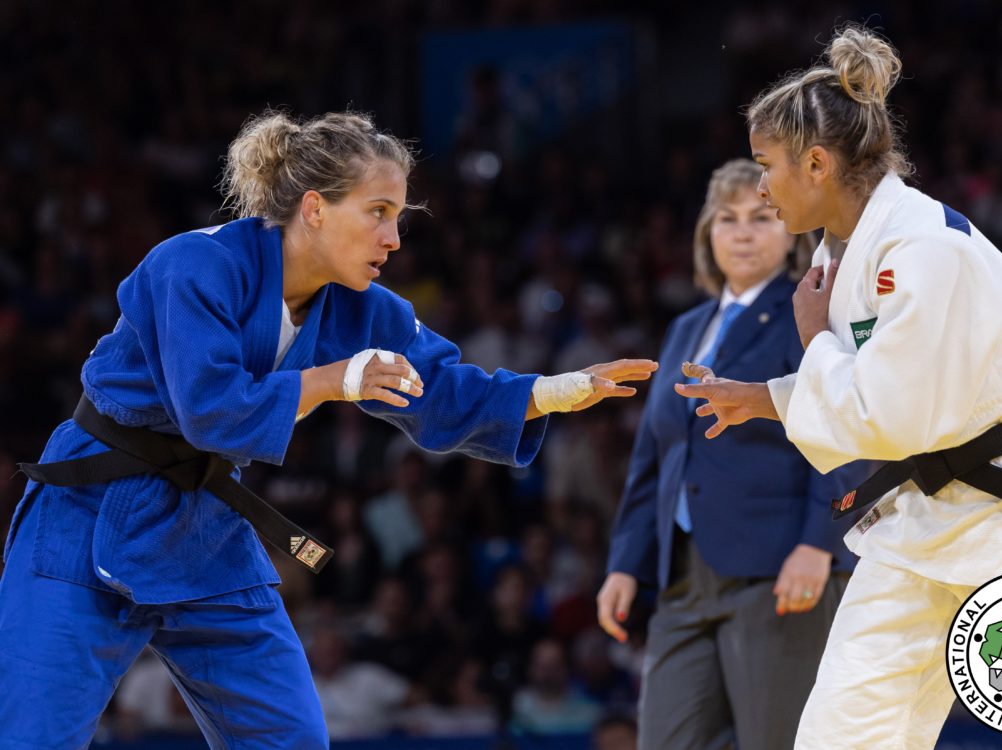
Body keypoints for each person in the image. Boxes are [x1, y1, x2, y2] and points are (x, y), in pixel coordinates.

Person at [0, 110, 657, 749]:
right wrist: (332, 380)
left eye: (398, 217)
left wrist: (554, 390)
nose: (393, 238)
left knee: (291, 739)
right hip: (90, 512)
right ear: (314, 209)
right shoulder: (195, 265)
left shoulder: (357, 306)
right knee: (31, 736)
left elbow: (439, 388)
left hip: (206, 527)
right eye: (378, 212)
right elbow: (211, 410)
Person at [675, 26, 1002, 749]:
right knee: (838, 736)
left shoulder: (924, 249)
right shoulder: (847, 248)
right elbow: (879, 380)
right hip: (919, 525)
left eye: (765, 166)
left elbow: (893, 416)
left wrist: (814, 337)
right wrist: (767, 398)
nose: (759, 187)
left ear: (816, 163)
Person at [596, 158, 866, 749]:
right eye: (728, 218)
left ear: (790, 232)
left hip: (777, 569)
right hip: (683, 578)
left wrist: (819, 545)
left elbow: (846, 427)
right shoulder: (685, 328)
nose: (743, 233)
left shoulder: (808, 314)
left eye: (760, 217)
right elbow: (655, 459)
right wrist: (625, 563)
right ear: (707, 234)